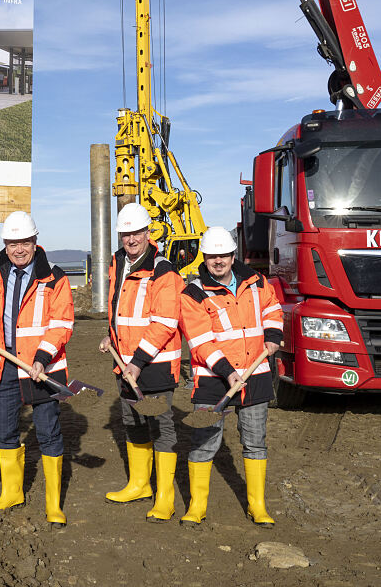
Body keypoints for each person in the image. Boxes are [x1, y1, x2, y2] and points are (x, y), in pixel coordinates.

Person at [0, 211, 75, 528]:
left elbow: (62, 324)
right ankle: (12, 492)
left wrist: (42, 358)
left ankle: (53, 503)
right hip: (3, 366)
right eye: (13, 243)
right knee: (5, 431)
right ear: (5, 243)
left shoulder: (55, 278)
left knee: (48, 433)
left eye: (25, 242)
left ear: (35, 241)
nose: (19, 249)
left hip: (41, 369)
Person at [179, 226, 283, 526]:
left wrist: (274, 335)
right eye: (213, 256)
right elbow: (199, 342)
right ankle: (197, 507)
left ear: (233, 255)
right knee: (204, 441)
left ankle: (258, 507)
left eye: (224, 255)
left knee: (255, 441)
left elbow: (273, 309)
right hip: (213, 380)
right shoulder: (194, 293)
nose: (219, 261)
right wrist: (227, 373)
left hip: (255, 374)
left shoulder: (256, 281)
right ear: (205, 257)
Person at [97, 202, 184, 521]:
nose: (131, 239)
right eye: (125, 234)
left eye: (136, 233)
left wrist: (138, 360)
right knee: (132, 422)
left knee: (161, 428)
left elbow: (164, 322)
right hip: (125, 362)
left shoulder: (163, 270)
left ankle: (165, 496)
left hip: (155, 364)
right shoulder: (118, 262)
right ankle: (139, 484)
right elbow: (119, 307)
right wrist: (111, 334)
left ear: (148, 233)